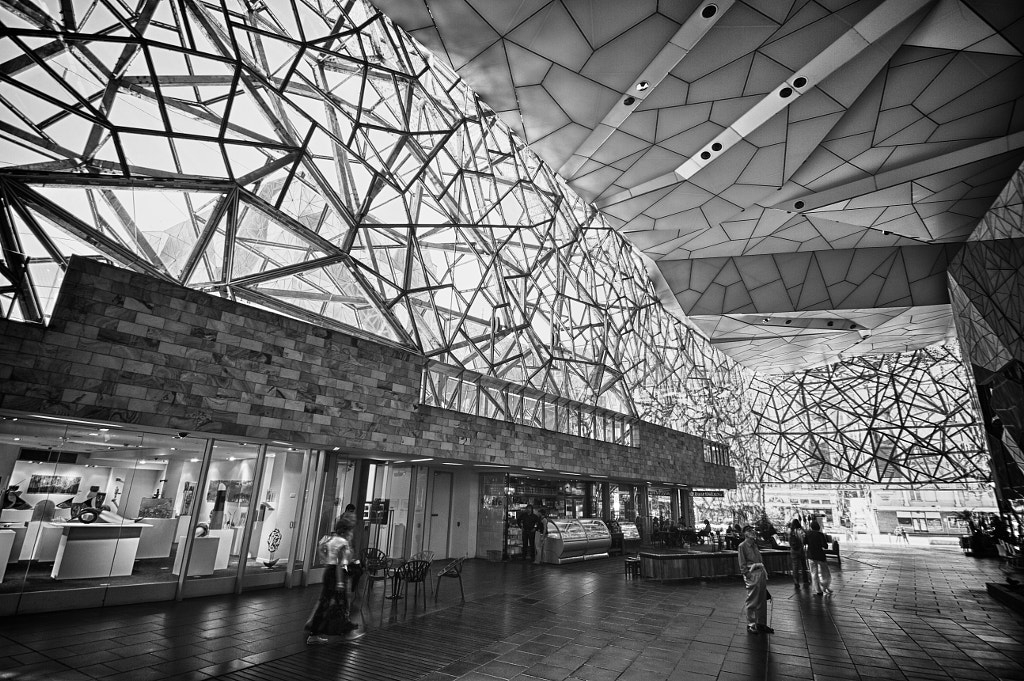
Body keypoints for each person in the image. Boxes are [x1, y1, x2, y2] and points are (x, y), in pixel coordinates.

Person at [306, 514, 356, 644]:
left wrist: (326, 560)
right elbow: (341, 564)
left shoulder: (331, 540)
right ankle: (346, 631)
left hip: (328, 571)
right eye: (351, 531)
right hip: (336, 574)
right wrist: (340, 581)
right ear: (346, 531)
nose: (352, 533)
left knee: (325, 602)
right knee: (341, 603)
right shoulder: (343, 543)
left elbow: (322, 550)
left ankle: (314, 632)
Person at [738, 525, 773, 634]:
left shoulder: (754, 545)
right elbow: (742, 561)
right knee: (753, 599)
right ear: (746, 534)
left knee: (762, 599)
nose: (753, 532)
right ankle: (751, 623)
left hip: (760, 572)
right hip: (752, 573)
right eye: (750, 531)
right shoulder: (742, 546)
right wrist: (747, 573)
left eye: (752, 530)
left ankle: (761, 623)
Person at [805, 519, 833, 596]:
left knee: (814, 573)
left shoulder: (808, 534)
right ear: (818, 527)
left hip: (811, 555)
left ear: (811, 527)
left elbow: (804, 542)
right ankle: (825, 586)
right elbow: (825, 546)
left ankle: (818, 590)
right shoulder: (820, 535)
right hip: (820, 556)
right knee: (825, 573)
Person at [789, 519, 809, 588]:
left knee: (795, 567)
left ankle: (796, 582)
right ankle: (805, 580)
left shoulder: (791, 532)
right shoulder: (801, 531)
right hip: (801, 550)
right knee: (803, 566)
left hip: (793, 550)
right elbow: (805, 539)